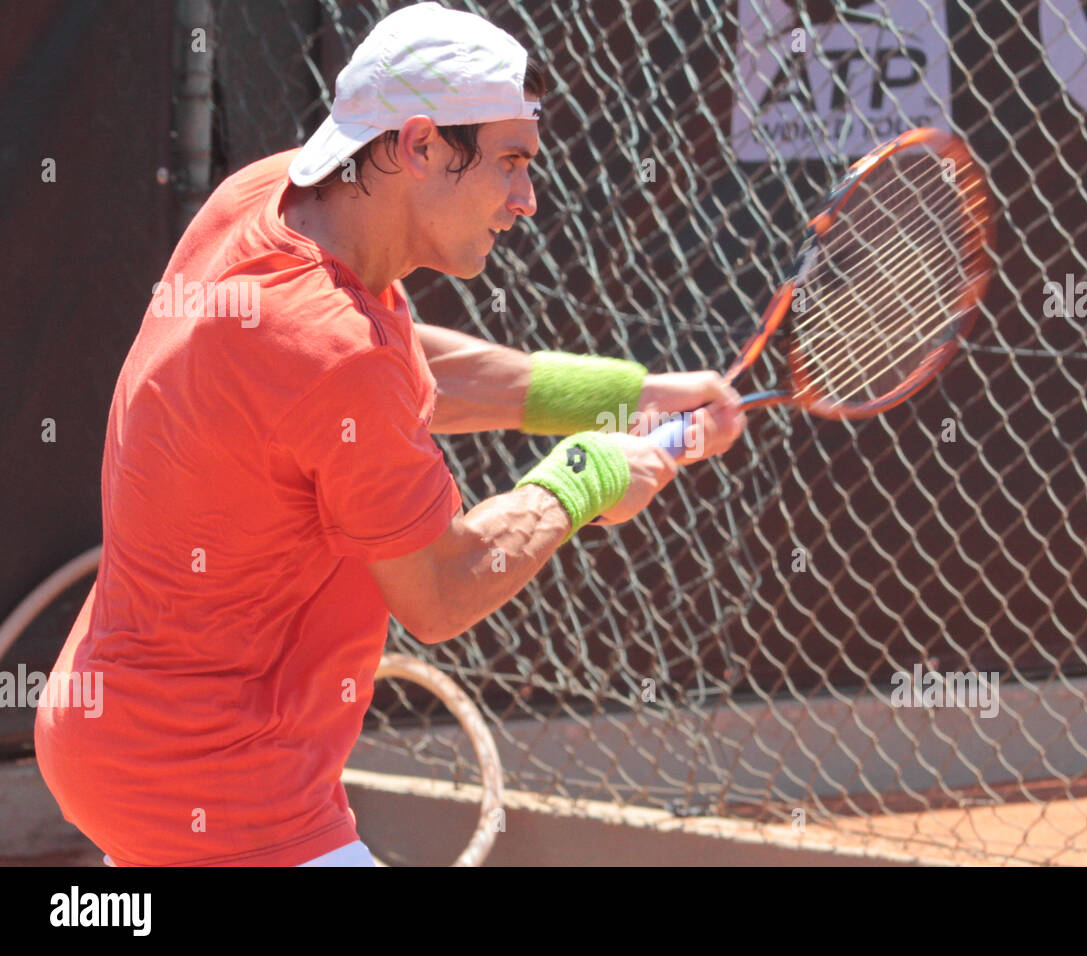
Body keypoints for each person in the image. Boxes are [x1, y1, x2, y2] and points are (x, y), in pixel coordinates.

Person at [35, 2, 744, 867]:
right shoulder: (336, 352)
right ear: (417, 146)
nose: (526, 199)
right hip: (222, 790)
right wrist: (587, 477)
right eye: (510, 162)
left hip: (106, 738)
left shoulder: (267, 197)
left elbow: (380, 380)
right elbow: (440, 589)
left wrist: (617, 392)